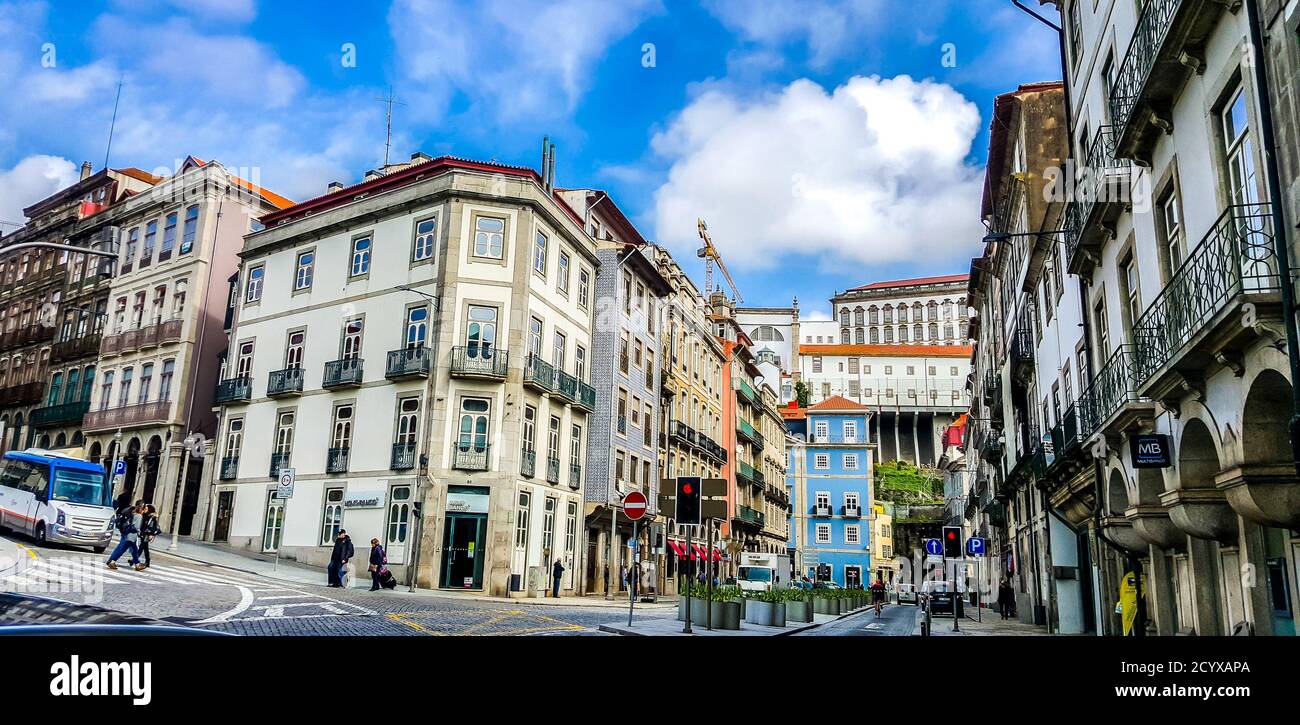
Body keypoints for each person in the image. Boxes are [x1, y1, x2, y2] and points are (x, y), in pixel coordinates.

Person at [106, 502, 146, 571]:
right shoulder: (139, 516)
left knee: (133, 550)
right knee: (124, 549)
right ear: (142, 508)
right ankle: (112, 561)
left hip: (128, 534)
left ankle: (137, 564)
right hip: (132, 535)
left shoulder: (133, 513)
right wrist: (139, 533)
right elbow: (136, 527)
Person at [137, 504, 161, 569]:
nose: (145, 509)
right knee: (145, 548)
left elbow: (152, 526)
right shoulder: (145, 515)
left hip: (147, 534)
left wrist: (152, 534)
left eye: (146, 509)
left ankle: (135, 559)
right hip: (143, 533)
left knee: (142, 547)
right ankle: (147, 561)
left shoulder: (151, 517)